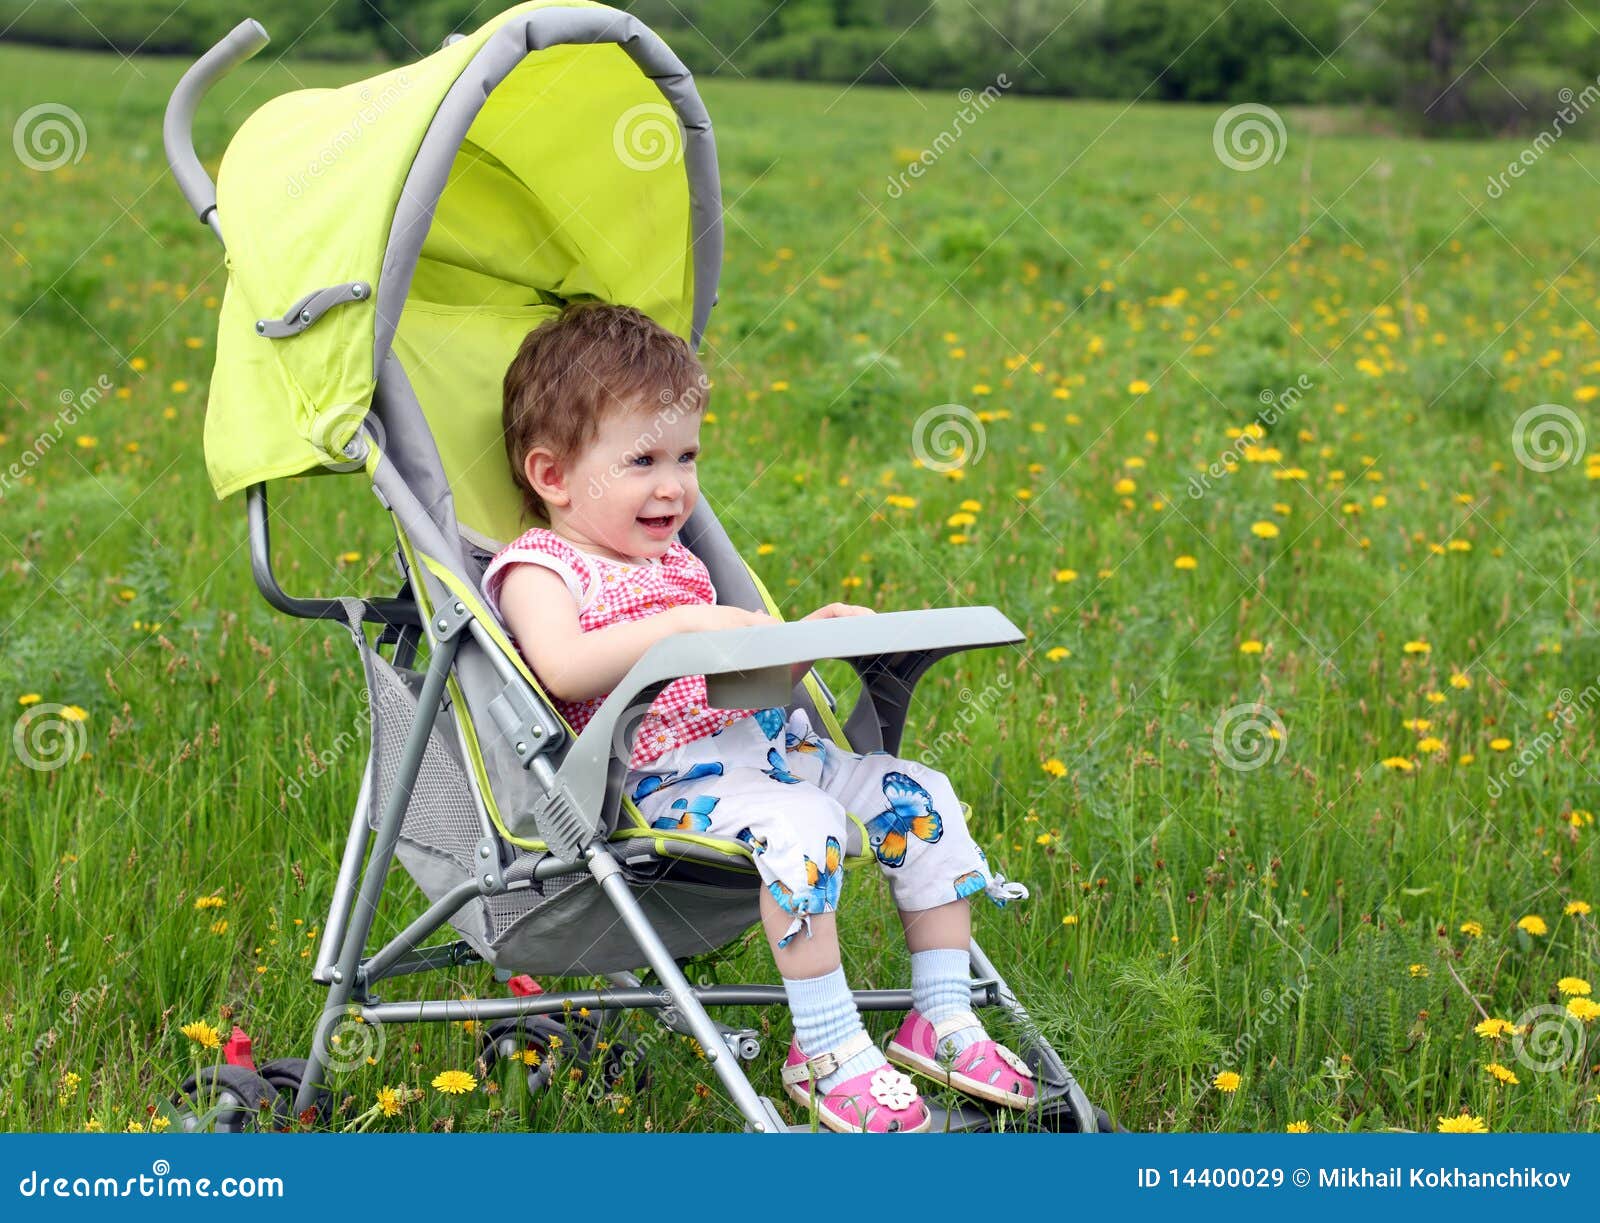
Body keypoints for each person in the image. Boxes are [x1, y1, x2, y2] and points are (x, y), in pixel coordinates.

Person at [482, 302, 1034, 1132]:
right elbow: (559, 668)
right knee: (806, 819)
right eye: (642, 460)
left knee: (916, 793)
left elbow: (740, 683)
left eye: (687, 455)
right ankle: (824, 1048)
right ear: (554, 477)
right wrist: (682, 627)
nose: (674, 485)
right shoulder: (543, 568)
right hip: (658, 784)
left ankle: (942, 1014)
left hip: (769, 751)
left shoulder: (680, 564)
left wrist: (801, 645)